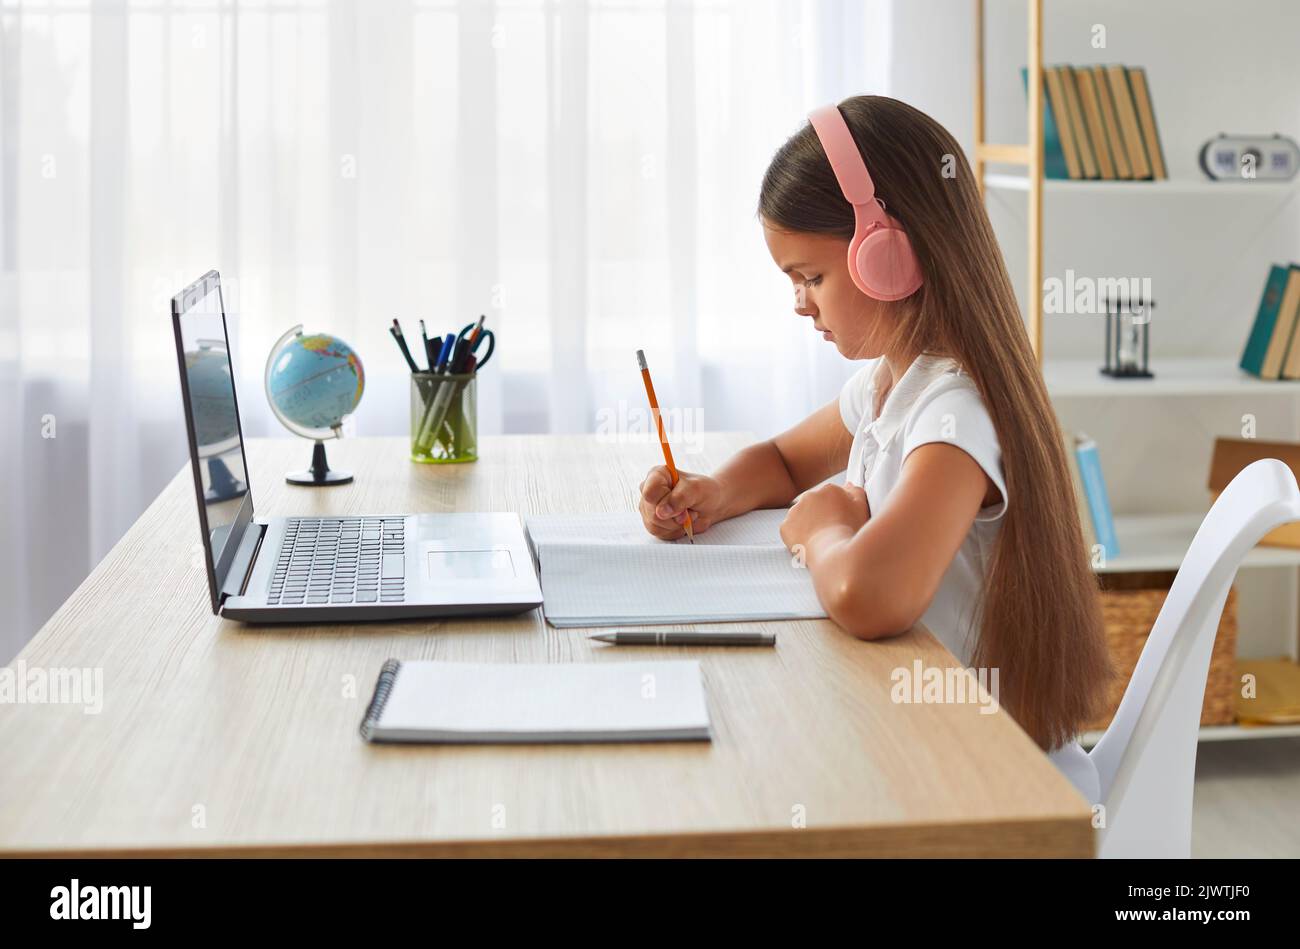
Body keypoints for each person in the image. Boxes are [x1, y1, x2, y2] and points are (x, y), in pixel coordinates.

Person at [637, 96, 1111, 801]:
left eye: (810, 277)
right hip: (924, 732)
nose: (800, 304)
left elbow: (871, 592)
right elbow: (787, 460)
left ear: (889, 253)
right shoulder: (894, 383)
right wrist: (713, 491)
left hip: (998, 782)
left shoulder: (955, 414)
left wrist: (823, 530)